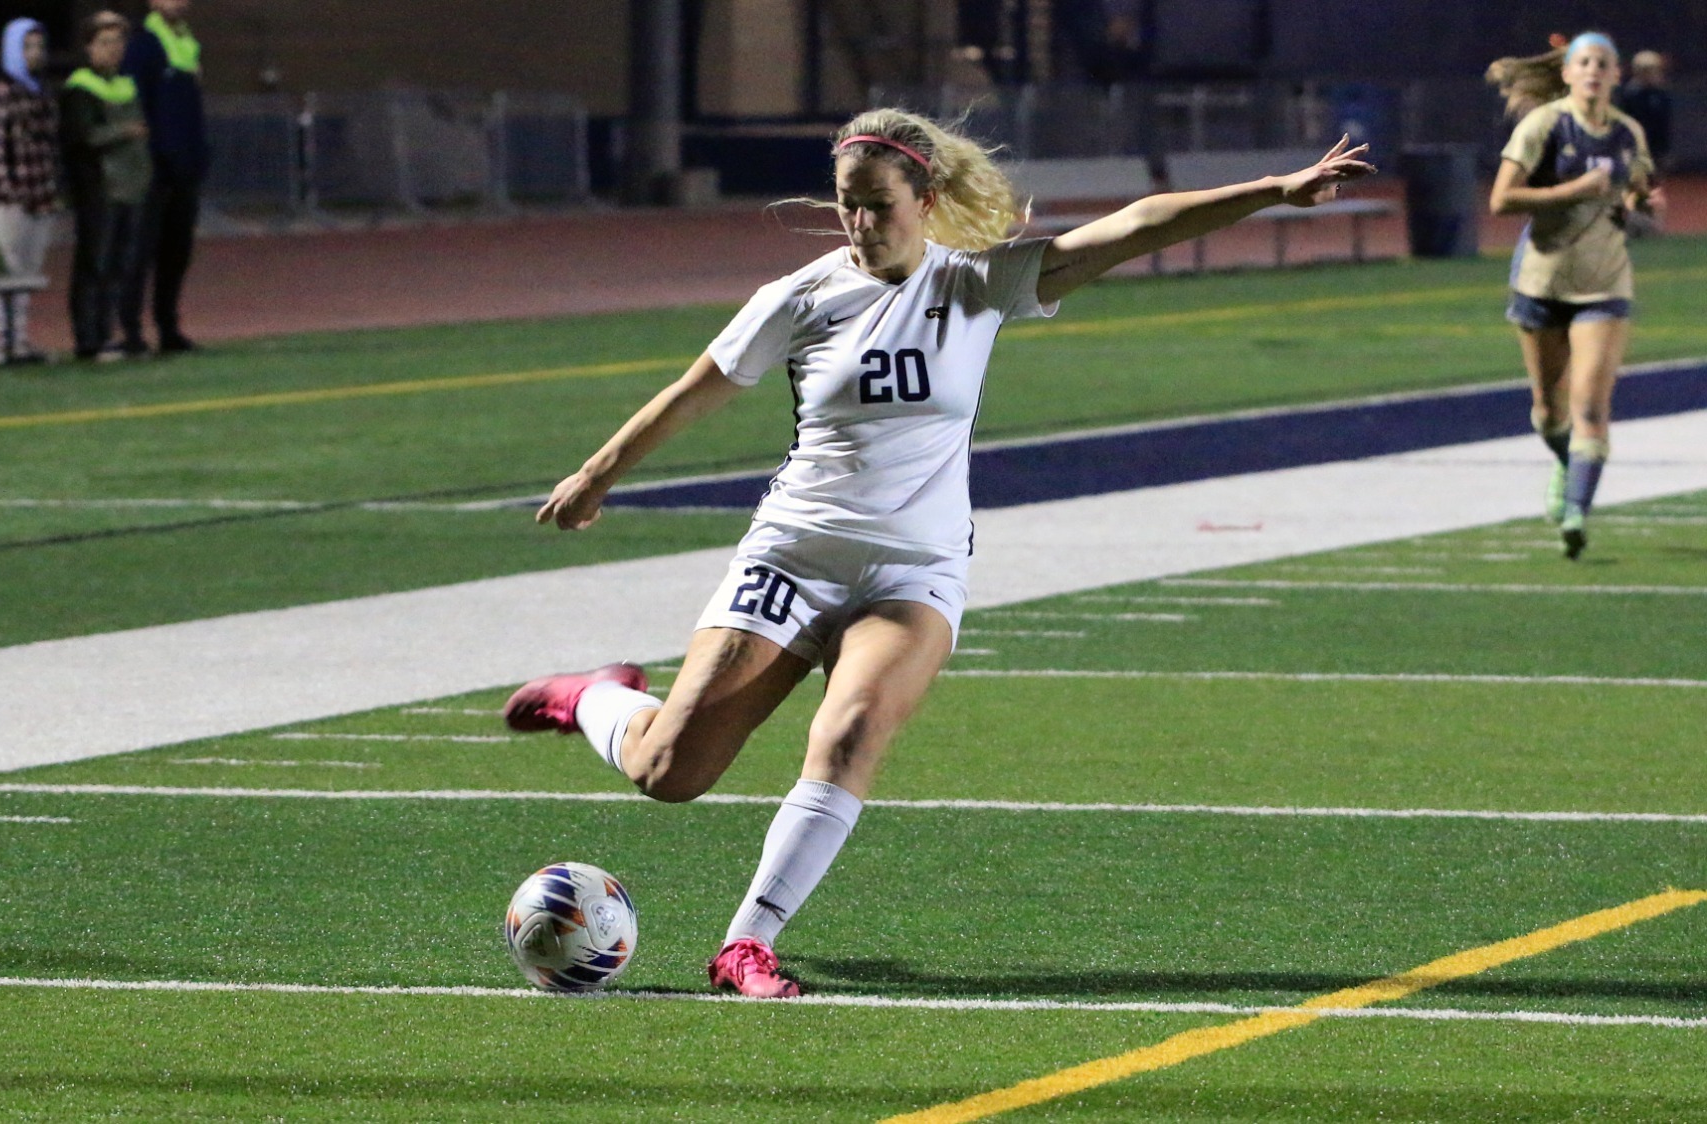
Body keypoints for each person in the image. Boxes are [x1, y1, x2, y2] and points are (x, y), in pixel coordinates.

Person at [501, 108, 1373, 997]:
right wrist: (597, 474)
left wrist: (1275, 192)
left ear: (925, 198)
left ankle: (746, 944)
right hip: (795, 554)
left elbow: (1136, 225)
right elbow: (697, 392)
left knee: (850, 733)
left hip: (912, 573)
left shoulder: (978, 286)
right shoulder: (799, 297)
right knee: (670, 773)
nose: (860, 223)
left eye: (879, 204)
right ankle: (599, 698)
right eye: (847, 205)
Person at [1486, 32, 1656, 559]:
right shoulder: (1545, 125)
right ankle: (1565, 463)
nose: (1593, 71)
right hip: (1542, 281)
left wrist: (1639, 202)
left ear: (1615, 75)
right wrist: (1572, 191)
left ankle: (1577, 513)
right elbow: (1501, 200)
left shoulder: (1628, 133)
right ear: (1567, 73)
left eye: (1603, 63)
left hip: (1605, 283)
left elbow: (1638, 188)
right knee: (1547, 411)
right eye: (1584, 62)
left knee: (1590, 405)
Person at [60, 11, 152, 360]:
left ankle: (107, 333)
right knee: (94, 265)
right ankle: (88, 339)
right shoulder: (80, 88)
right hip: (100, 190)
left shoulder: (125, 84)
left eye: (118, 41)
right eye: (104, 42)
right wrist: (124, 132)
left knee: (119, 266)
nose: (113, 49)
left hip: (130, 187)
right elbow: (82, 137)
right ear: (88, 47)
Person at [121, 0, 209, 355]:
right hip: (154, 170)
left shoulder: (188, 43)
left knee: (176, 253)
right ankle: (130, 330)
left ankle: (168, 327)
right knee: (140, 253)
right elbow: (136, 104)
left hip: (186, 169)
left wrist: (199, 156)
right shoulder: (143, 46)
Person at [0, 17, 60, 362]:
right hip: (13, 200)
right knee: (6, 269)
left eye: (39, 46)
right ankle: (4, 337)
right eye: (27, 46)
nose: (35, 54)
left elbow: (48, 147)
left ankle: (20, 337)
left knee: (28, 271)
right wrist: (6, 191)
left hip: (42, 196)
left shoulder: (42, 94)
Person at [1616, 50, 1672, 166]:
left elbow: (1664, 125)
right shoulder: (1629, 95)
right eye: (1651, 70)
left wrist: (1664, 150)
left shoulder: (1661, 94)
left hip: (1656, 149)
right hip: (1634, 148)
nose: (1656, 73)